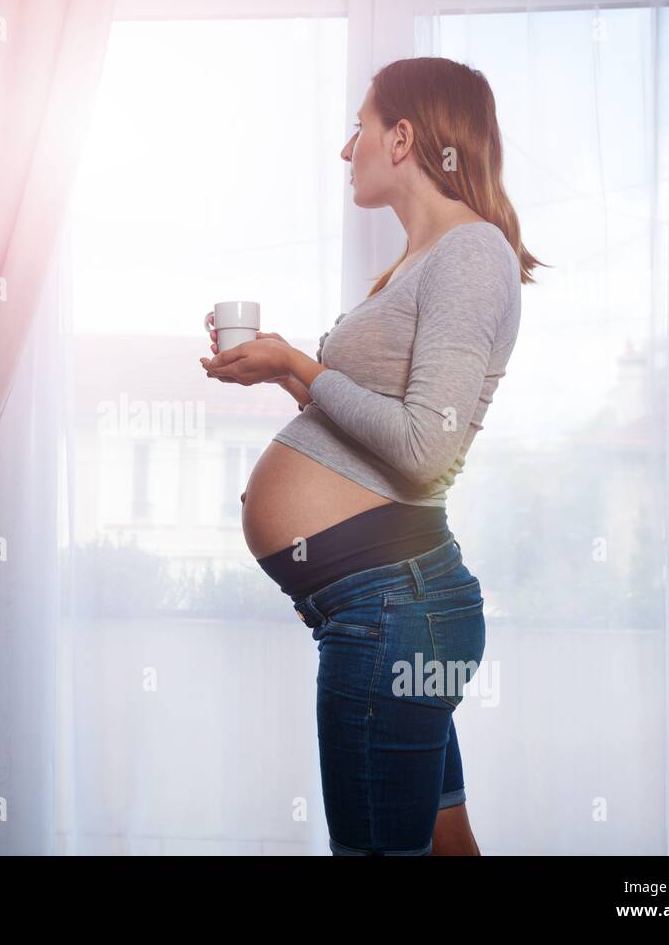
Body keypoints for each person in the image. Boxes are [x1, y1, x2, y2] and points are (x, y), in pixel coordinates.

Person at [200, 56, 544, 856]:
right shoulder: (423, 263)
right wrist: (284, 377)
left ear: (402, 137)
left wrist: (299, 363)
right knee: (443, 845)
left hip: (394, 610)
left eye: (356, 126)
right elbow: (371, 436)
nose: (344, 148)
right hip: (388, 607)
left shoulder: (470, 254)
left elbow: (426, 449)